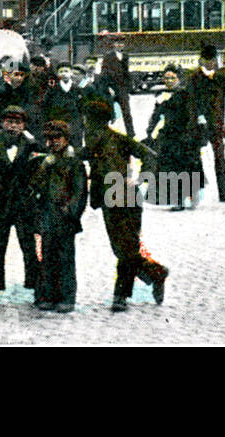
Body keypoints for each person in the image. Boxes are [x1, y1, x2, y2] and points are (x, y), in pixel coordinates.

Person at [82, 98, 169, 311]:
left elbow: (150, 155)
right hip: (110, 200)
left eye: (86, 118)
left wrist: (140, 179)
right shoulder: (95, 138)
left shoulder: (113, 139)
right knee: (123, 249)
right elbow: (89, 155)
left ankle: (120, 296)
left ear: (91, 120)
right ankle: (155, 273)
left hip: (125, 198)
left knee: (125, 250)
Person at [28, 119, 87, 312]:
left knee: (65, 258)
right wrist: (44, 167)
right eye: (49, 139)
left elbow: (80, 192)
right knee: (47, 256)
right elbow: (35, 185)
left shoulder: (74, 161)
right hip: (48, 216)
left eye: (56, 138)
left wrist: (70, 211)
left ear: (66, 139)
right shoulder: (47, 160)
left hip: (65, 218)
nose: (52, 142)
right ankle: (47, 295)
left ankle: (67, 297)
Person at [0, 104, 40, 295]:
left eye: (18, 123)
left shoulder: (30, 143)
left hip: (23, 204)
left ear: (23, 125)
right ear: (1, 123)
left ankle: (36, 287)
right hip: (0, 203)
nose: (13, 126)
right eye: (9, 122)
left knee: (29, 246)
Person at [144, 65, 203, 210]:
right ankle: (178, 200)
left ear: (178, 78)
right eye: (166, 78)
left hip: (185, 134)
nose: (169, 81)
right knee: (170, 167)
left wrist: (193, 133)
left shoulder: (185, 93)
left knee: (187, 165)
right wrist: (150, 129)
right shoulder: (161, 95)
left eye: (172, 78)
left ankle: (190, 195)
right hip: (169, 134)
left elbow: (193, 114)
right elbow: (156, 114)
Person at [185, 43, 225, 201]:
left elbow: (222, 103)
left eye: (213, 60)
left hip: (216, 124)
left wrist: (221, 122)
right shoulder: (194, 79)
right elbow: (191, 102)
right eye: (207, 60)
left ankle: (224, 192)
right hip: (199, 124)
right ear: (201, 61)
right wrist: (198, 118)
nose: (210, 63)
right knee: (194, 158)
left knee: (220, 156)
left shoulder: (220, 78)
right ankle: (191, 191)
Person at [98, 36, 138, 139]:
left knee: (127, 112)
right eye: (117, 43)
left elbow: (126, 72)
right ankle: (105, 134)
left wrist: (129, 87)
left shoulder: (125, 56)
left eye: (121, 43)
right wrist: (108, 88)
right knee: (108, 112)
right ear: (113, 45)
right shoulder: (108, 56)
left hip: (121, 88)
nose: (120, 45)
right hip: (111, 87)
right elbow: (104, 73)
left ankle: (131, 134)